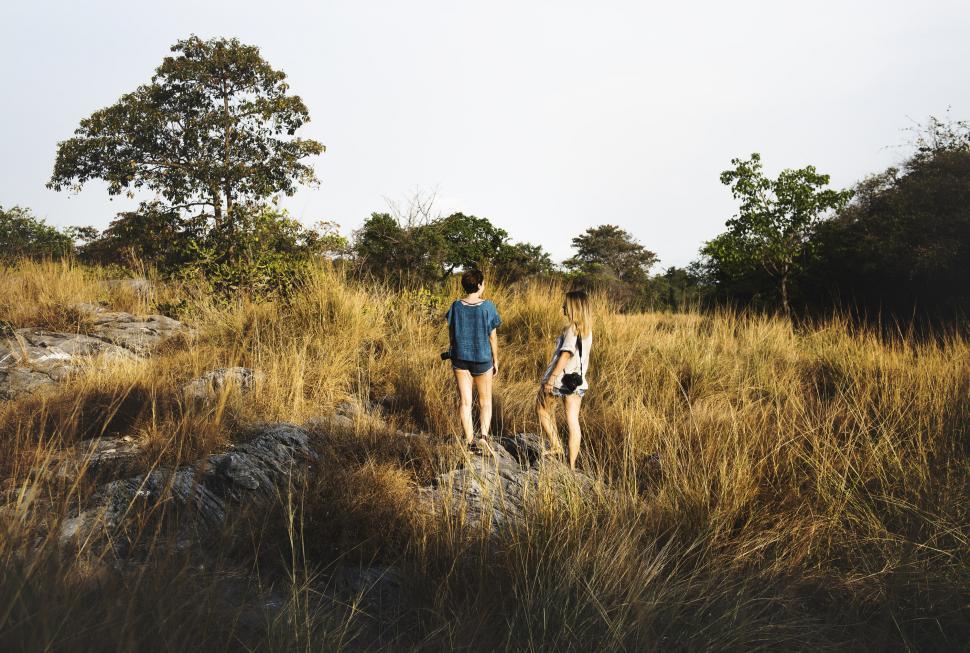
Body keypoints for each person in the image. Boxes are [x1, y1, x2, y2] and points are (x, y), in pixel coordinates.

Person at [445, 269, 501, 452]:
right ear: (479, 285)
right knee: (485, 402)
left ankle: (469, 442)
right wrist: (496, 360)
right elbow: (493, 337)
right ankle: (483, 438)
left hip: (460, 358)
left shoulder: (455, 306)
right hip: (482, 359)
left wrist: (453, 347)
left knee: (465, 402)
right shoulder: (488, 307)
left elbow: (451, 332)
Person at [536, 290, 592, 470]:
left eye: (566, 304)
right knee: (573, 421)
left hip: (561, 380)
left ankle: (556, 446)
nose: (563, 307)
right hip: (578, 381)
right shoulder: (587, 330)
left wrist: (551, 377)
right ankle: (572, 465)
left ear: (573, 307)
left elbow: (566, 355)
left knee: (541, 410)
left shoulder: (571, 329)